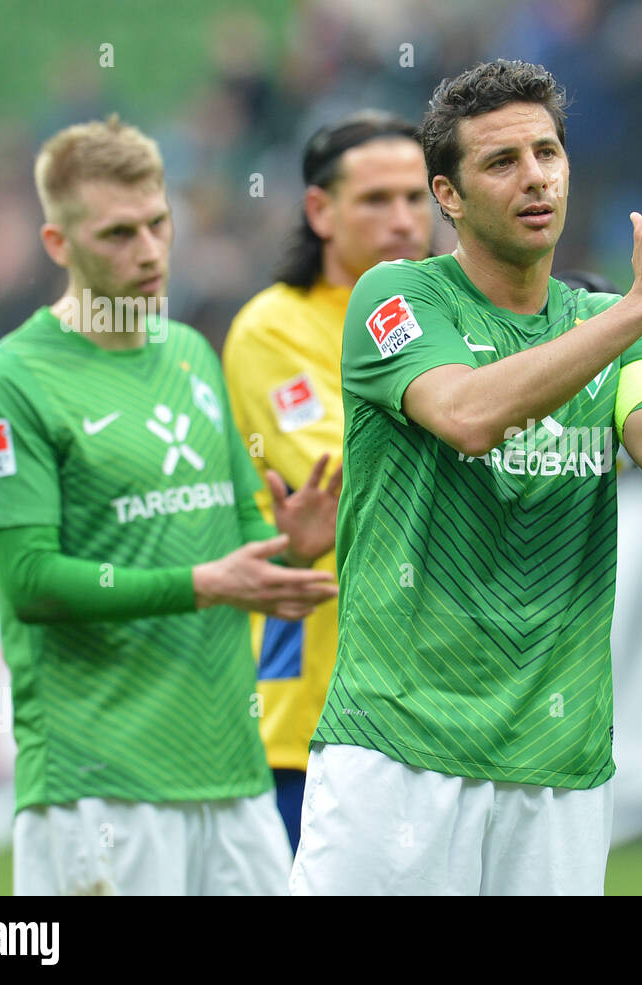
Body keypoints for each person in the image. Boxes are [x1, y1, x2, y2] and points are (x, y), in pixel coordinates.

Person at [289, 59, 642, 896]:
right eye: (501, 162)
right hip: (398, 750)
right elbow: (470, 417)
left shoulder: (607, 324)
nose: (535, 178)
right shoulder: (398, 298)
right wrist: (640, 305)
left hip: (559, 762)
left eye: (547, 154)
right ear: (447, 195)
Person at [0, 114, 343, 896]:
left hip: (234, 777)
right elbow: (31, 582)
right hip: (99, 785)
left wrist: (294, 548)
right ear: (59, 246)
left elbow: (243, 553)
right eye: (118, 234)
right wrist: (203, 584)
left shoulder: (193, 355)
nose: (149, 251)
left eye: (159, 223)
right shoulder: (9, 379)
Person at [222, 111, 433, 853]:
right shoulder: (272, 327)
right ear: (320, 210)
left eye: (417, 197)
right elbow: (344, 476)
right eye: (377, 200)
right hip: (309, 704)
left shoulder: (442, 317)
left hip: (428, 705)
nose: (404, 220)